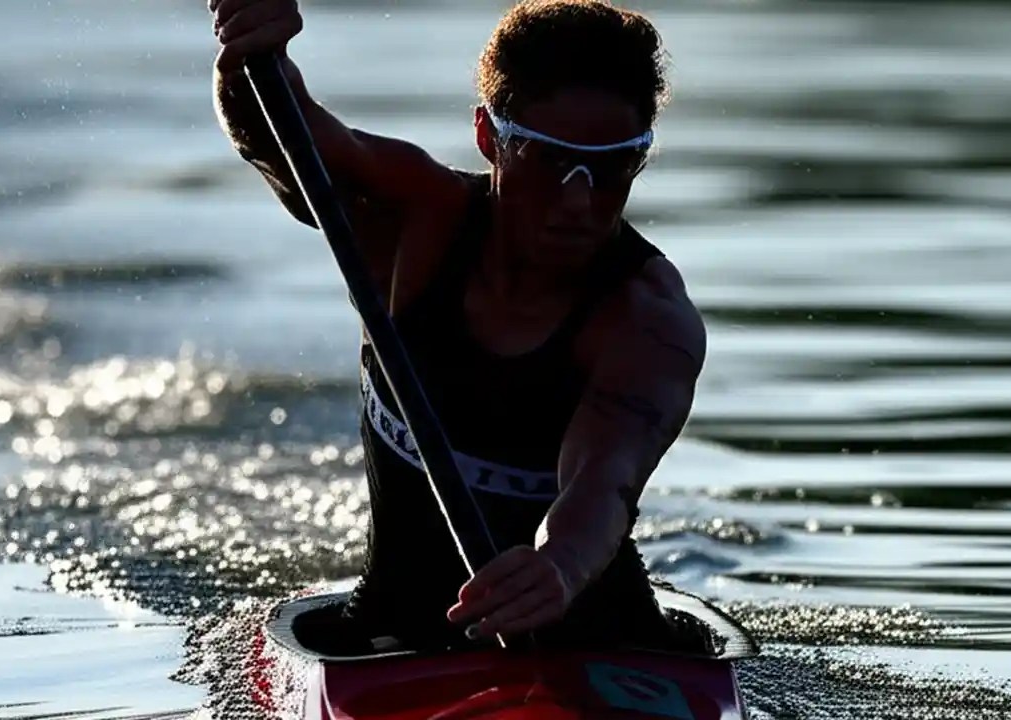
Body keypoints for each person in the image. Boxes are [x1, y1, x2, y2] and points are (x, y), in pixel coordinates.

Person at [209, 0, 709, 652]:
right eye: (546, 158)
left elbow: (601, 484)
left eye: (614, 165)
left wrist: (558, 565)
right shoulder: (414, 222)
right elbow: (278, 134)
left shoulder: (648, 323)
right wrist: (252, 53)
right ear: (487, 137)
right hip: (395, 631)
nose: (579, 200)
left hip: (599, 640)